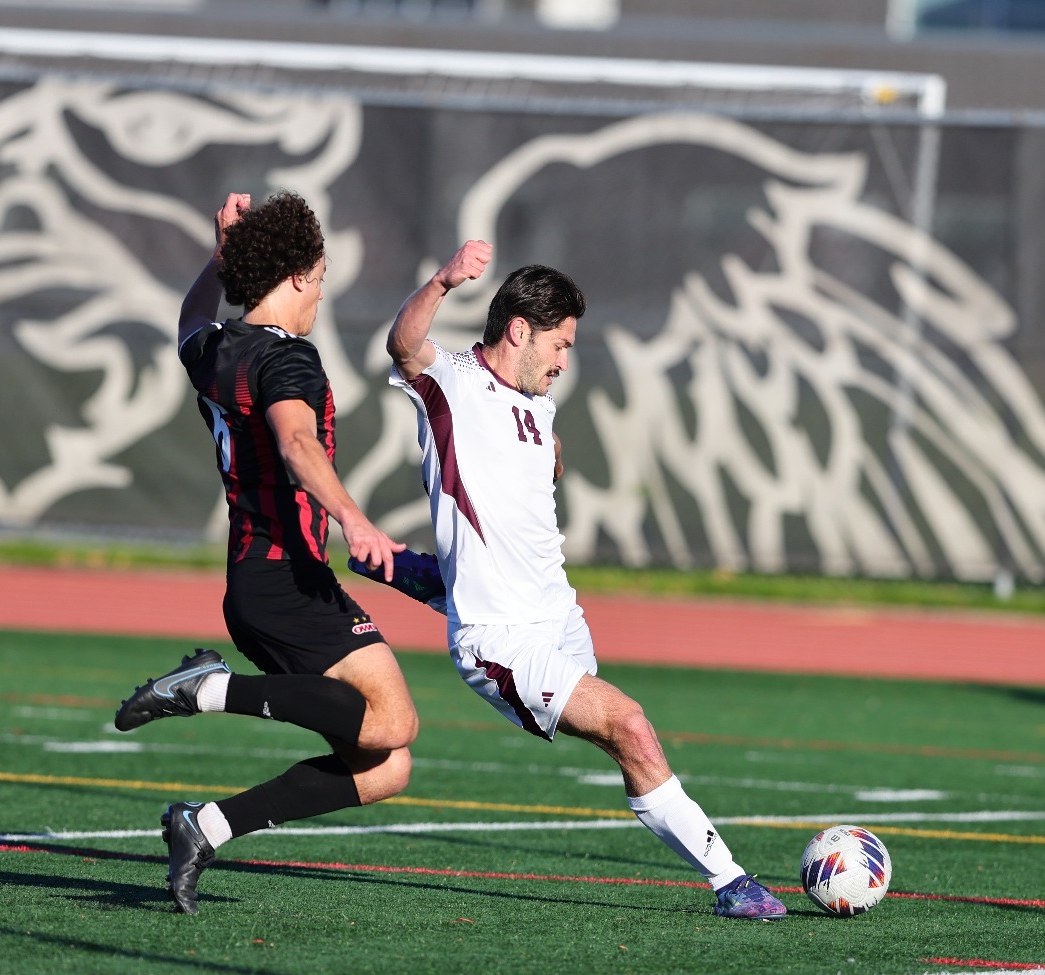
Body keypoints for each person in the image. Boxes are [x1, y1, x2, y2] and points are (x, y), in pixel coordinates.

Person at [372, 240, 787, 919]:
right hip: (501, 639)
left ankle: (425, 577)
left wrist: (550, 456)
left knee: (622, 739)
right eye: (560, 345)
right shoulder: (449, 383)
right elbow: (403, 342)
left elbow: (522, 470)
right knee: (632, 726)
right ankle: (731, 880)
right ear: (518, 331)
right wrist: (445, 280)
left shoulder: (539, 409)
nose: (566, 360)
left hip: (560, 618)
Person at [114, 192, 418, 913]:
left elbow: (187, 321)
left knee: (386, 767)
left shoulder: (217, 348)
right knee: (393, 722)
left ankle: (205, 827)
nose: (319, 296)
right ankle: (206, 689)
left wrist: (219, 258)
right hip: (284, 579)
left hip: (260, 582)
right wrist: (353, 518)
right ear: (294, 278)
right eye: (318, 279)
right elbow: (296, 443)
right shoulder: (288, 359)